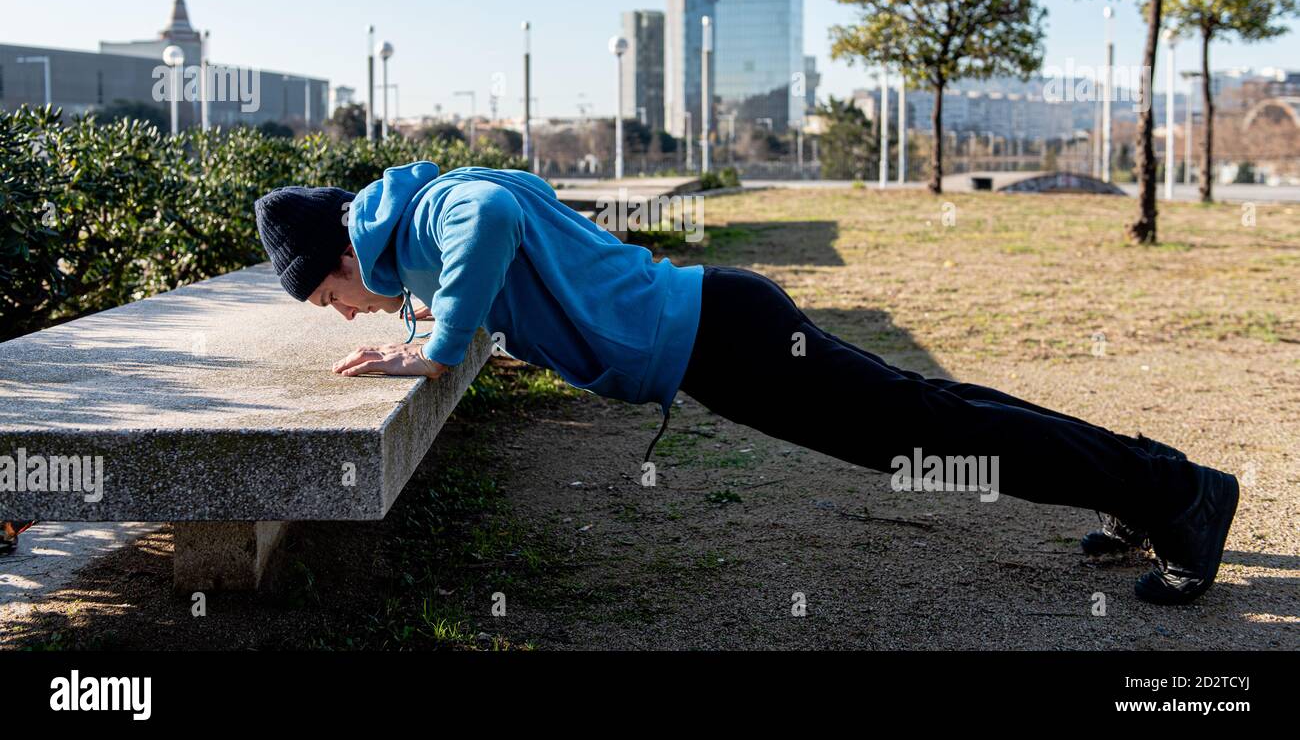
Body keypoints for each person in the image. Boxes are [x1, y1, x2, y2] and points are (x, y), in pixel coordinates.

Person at [254, 161, 1239, 606]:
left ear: (344, 250)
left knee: (931, 437)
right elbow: (512, 222)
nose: (341, 312)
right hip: (723, 324)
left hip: (723, 338)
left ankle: (1176, 492)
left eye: (329, 295)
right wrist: (423, 332)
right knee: (928, 421)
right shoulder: (418, 212)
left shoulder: (434, 214)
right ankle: (1143, 484)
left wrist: (435, 344)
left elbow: (492, 224)